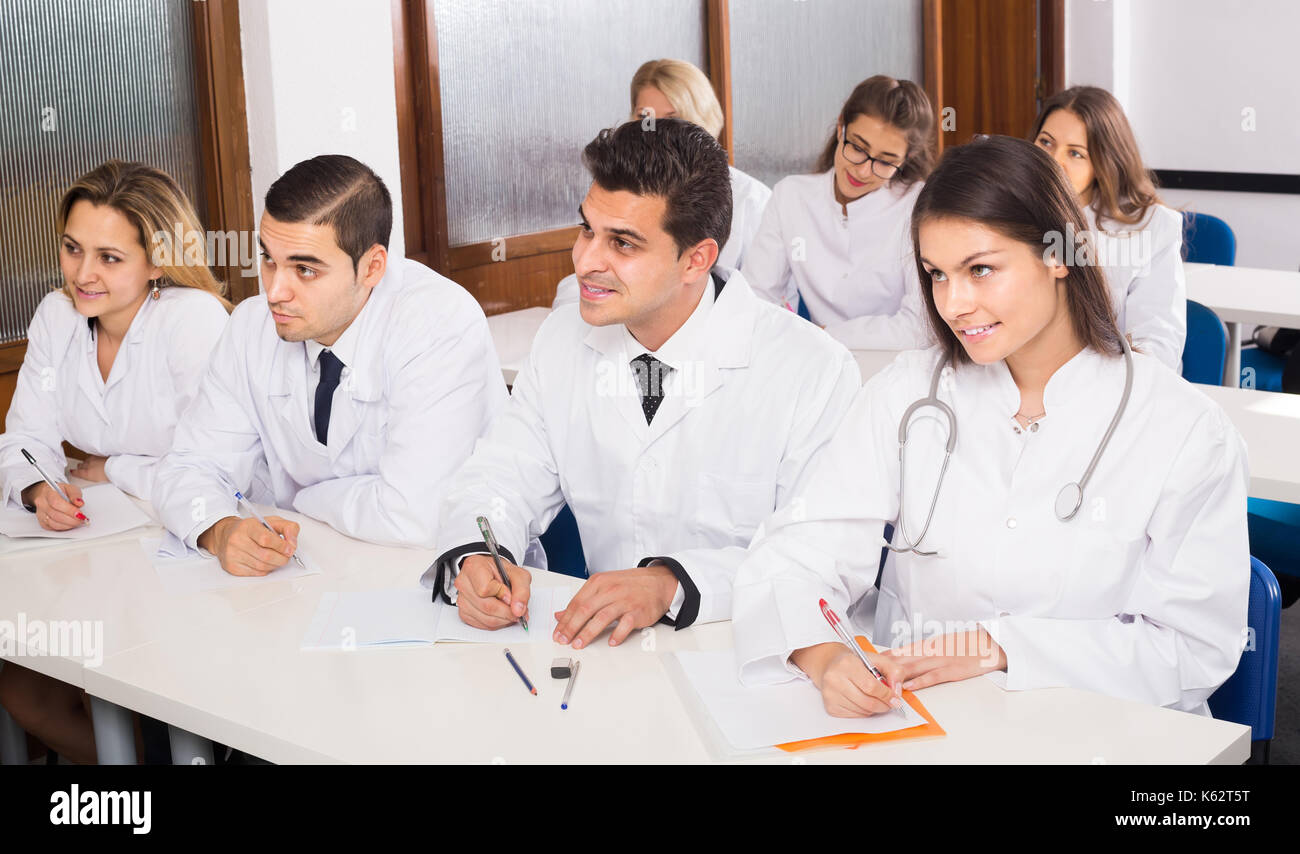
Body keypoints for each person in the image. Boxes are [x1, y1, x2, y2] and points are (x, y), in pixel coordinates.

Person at [731, 136, 1248, 717]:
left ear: (1058, 255)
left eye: (981, 270)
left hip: (1102, 733)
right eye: (937, 275)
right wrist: (824, 657)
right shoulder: (907, 393)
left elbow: (1194, 648)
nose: (954, 304)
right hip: (922, 728)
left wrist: (998, 648)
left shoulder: (1183, 428)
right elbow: (795, 554)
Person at [424, 119, 860, 647]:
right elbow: (502, 476)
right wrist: (478, 552)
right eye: (587, 229)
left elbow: (824, 552)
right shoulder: (563, 339)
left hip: (753, 653)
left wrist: (672, 582)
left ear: (696, 259)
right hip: (609, 658)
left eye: (623, 244)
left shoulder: (813, 369)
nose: (585, 261)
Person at [153, 154, 505, 576]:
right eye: (268, 260)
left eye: (304, 269)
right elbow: (188, 467)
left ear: (373, 266)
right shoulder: (250, 326)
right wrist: (220, 528)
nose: (275, 292)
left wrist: (301, 497)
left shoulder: (437, 321)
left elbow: (415, 516)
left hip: (442, 583)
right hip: (308, 573)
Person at [0, 159, 230, 764]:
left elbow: (216, 471)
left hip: (189, 550)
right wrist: (38, 486)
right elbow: (26, 433)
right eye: (74, 249)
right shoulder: (58, 315)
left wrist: (116, 467)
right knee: (23, 689)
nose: (82, 274)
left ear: (157, 261)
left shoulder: (193, 321)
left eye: (109, 257)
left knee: (150, 680)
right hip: (94, 546)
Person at [553, 58, 771, 308]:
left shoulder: (754, 199)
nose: (655, 129)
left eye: (672, 118)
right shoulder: (616, 190)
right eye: (644, 117)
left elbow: (761, 298)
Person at [741, 75, 935, 349]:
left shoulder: (918, 206)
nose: (863, 170)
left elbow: (921, 329)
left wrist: (823, 335)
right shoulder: (791, 197)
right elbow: (755, 298)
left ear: (907, 159)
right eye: (857, 147)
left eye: (885, 161)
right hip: (816, 362)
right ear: (841, 127)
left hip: (898, 366)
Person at [1031, 86, 1187, 371]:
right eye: (1046, 142)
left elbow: (1157, 343)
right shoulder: (1007, 214)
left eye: (1076, 154)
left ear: (1104, 162)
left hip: (1113, 388)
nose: (1054, 161)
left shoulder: (1151, 226)